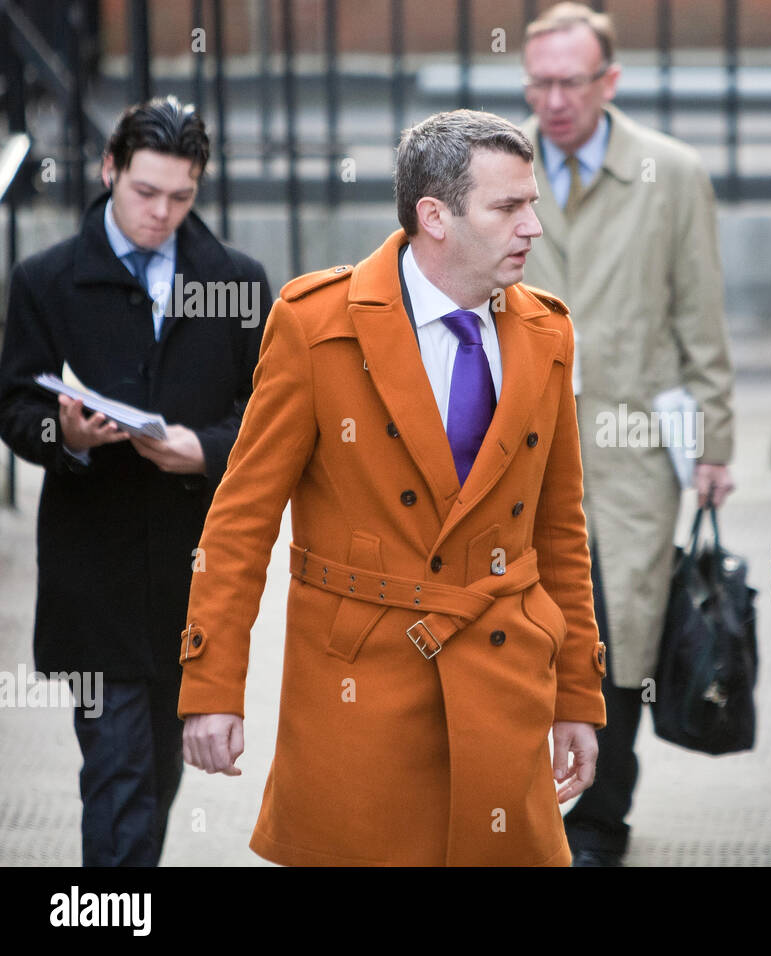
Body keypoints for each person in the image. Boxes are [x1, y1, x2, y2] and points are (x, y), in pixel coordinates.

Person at [177, 109, 606, 866]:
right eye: (509, 207)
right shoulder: (315, 326)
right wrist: (213, 685)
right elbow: (241, 520)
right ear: (434, 217)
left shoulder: (549, 333)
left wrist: (578, 695)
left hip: (504, 683)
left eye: (532, 203)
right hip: (360, 688)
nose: (533, 226)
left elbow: (560, 530)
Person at [0, 96, 271, 866]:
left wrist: (205, 449)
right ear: (109, 170)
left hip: (194, 579)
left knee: (153, 777)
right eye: (145, 192)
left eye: (181, 197)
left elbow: (273, 413)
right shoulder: (45, 280)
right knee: (118, 781)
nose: (161, 213)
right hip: (96, 578)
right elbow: (15, 403)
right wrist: (67, 435)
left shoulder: (240, 283)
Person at [519, 1, 736, 867]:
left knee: (618, 635)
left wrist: (715, 444)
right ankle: (521, 812)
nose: (555, 100)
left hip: (631, 454)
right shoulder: (500, 167)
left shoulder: (670, 173)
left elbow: (700, 312)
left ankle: (598, 823)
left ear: (610, 81)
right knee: (518, 631)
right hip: (515, 452)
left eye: (572, 81)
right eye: (539, 83)